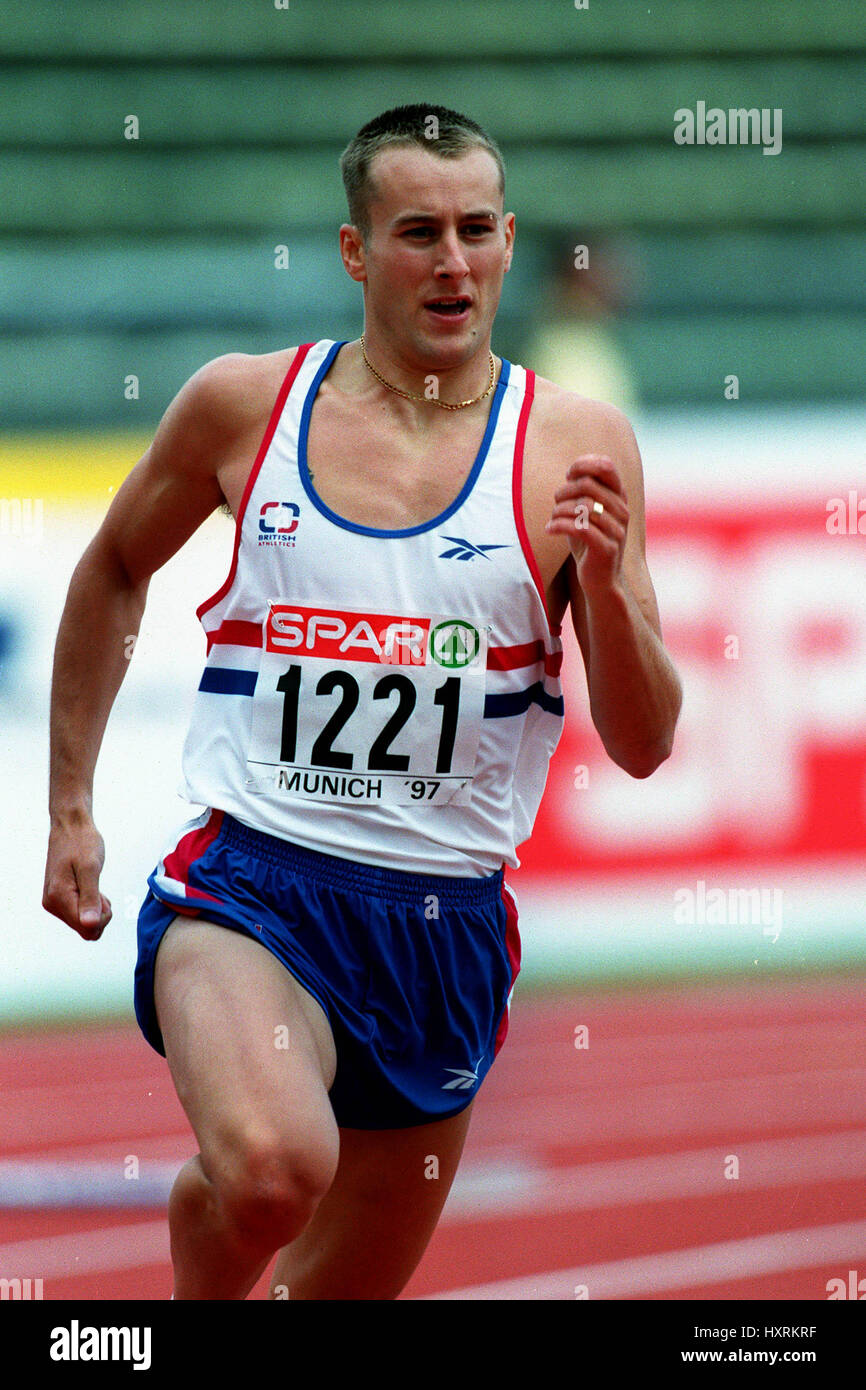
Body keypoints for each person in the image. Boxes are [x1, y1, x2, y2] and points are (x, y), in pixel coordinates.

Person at [42, 104, 682, 1300]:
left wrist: (608, 587)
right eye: (417, 232)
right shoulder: (247, 407)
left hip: (441, 929)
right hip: (250, 883)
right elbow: (116, 565)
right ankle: (217, 1224)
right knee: (279, 1170)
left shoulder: (574, 448)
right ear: (354, 252)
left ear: (507, 241)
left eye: (477, 230)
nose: (452, 261)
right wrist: (69, 806)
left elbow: (645, 744)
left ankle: (226, 1212)